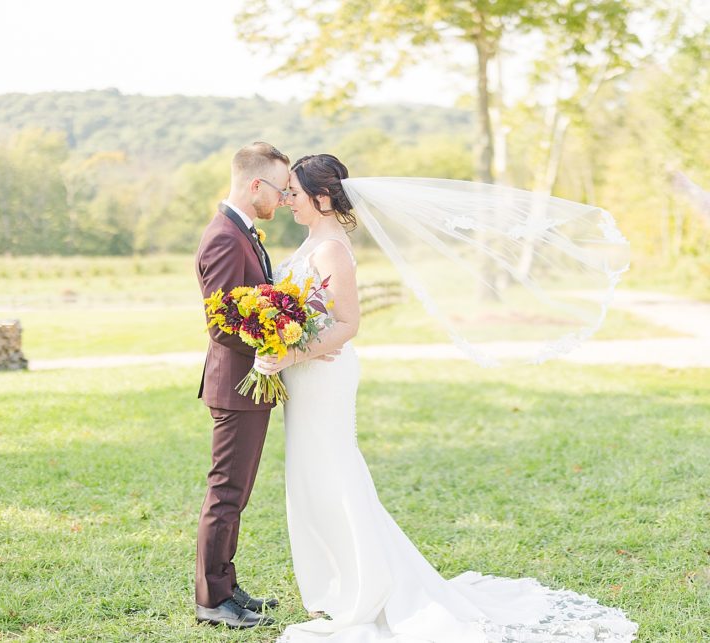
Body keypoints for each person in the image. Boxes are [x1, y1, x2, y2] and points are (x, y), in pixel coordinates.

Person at [254, 154, 638, 642]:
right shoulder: (312, 242)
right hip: (304, 375)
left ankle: (366, 588)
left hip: (323, 378)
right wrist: (279, 343)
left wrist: (287, 355)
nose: (286, 199)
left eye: (293, 191)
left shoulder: (331, 249)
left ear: (323, 197)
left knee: (335, 475)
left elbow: (349, 324)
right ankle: (337, 584)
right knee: (311, 480)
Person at [193, 141, 290, 629]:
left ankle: (226, 586)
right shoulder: (225, 238)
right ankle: (211, 600)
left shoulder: (243, 232)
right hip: (237, 386)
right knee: (226, 494)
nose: (284, 199)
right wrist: (273, 344)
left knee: (237, 494)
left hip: (248, 385)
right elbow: (223, 324)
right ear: (256, 184)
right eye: (279, 188)